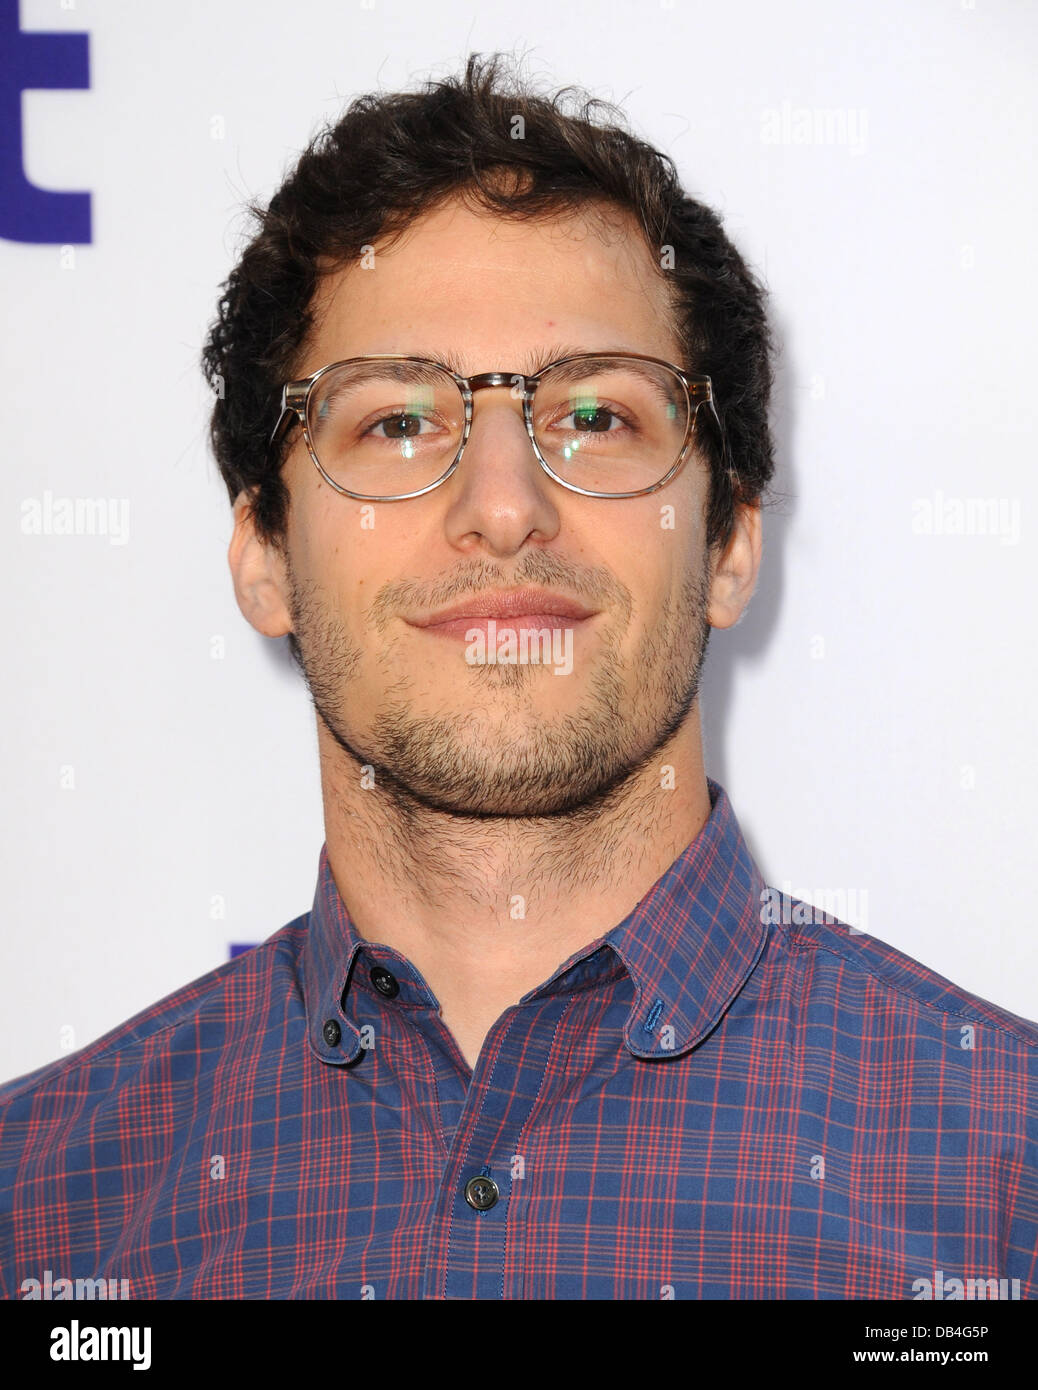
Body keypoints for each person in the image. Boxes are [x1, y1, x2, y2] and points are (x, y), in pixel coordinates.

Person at [1, 52, 1035, 1302]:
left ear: (728, 548)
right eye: (396, 420)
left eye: (596, 416)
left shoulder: (1001, 1187)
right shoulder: (40, 1207)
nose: (504, 508)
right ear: (265, 554)